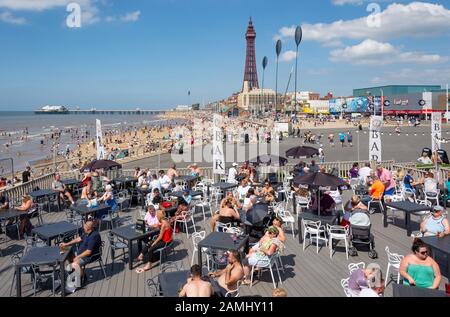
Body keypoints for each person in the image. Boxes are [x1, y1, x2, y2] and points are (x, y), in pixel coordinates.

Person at [60, 220, 102, 288]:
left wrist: (78, 257)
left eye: (84, 226)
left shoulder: (94, 236)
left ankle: (80, 281)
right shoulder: (86, 232)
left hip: (90, 256)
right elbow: (78, 239)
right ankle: (79, 273)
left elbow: (88, 252)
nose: (83, 227)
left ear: (89, 228)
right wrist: (66, 244)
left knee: (75, 264)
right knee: (65, 253)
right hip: (80, 252)